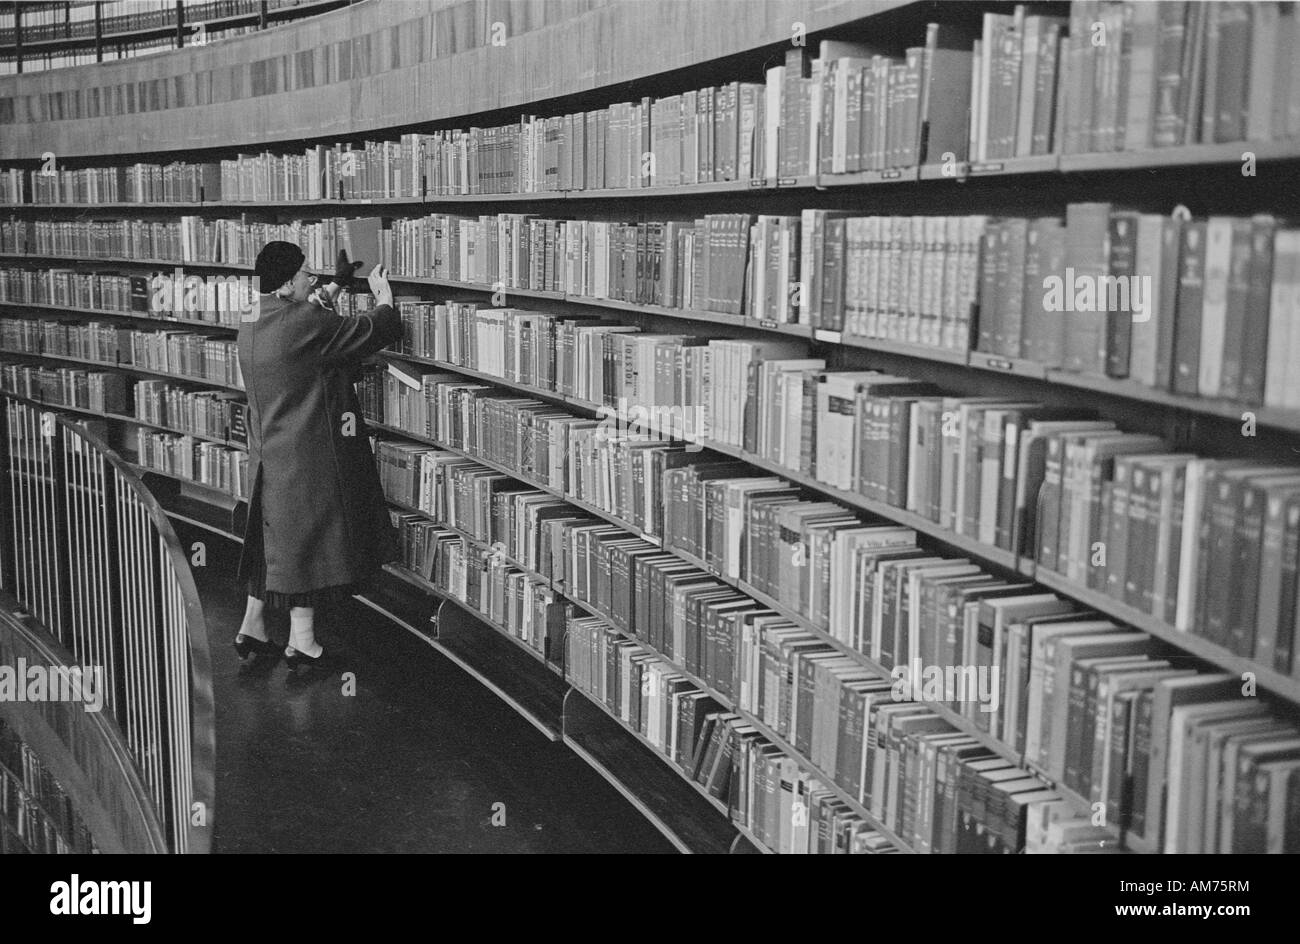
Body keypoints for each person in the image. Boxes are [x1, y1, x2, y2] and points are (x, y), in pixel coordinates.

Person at [232, 241, 403, 669]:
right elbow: (361, 332)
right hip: (304, 453)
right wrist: (384, 302)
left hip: (267, 452)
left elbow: (306, 320)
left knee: (271, 544)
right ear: (288, 283)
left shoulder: (253, 316)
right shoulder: (303, 322)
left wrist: (336, 287)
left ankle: (253, 626)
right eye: (306, 274)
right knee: (306, 546)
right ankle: (303, 644)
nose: (312, 279)